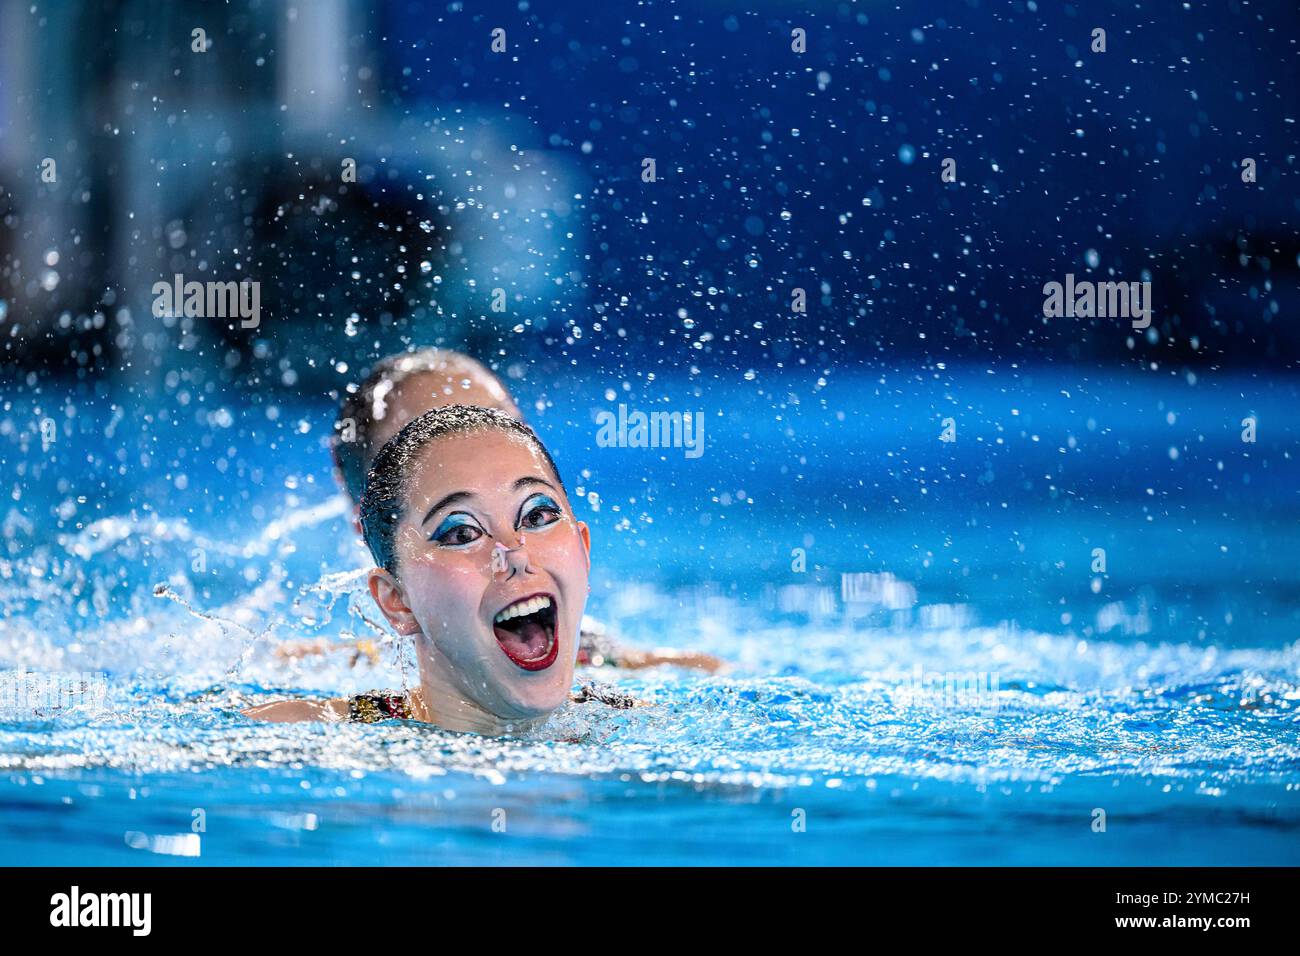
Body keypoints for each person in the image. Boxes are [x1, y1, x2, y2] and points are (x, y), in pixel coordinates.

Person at [278, 347, 722, 672]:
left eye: (500, 429)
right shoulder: (317, 683)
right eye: (425, 450)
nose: (479, 455)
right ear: (366, 521)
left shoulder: (639, 673)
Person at [246, 406, 641, 732]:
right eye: (462, 532)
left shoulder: (643, 727)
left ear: (584, 553)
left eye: (537, 514)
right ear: (397, 601)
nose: (515, 554)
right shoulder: (304, 735)